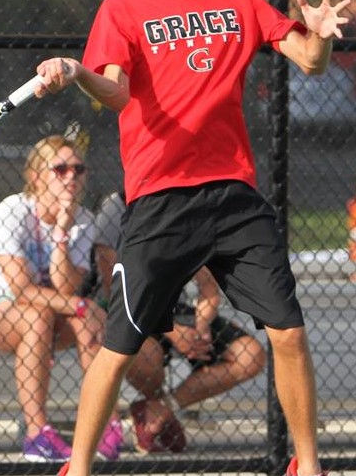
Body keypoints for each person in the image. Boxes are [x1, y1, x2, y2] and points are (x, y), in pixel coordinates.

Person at [34, 0, 350, 476]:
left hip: (233, 195)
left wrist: (320, 36)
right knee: (119, 347)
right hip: (158, 202)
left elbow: (308, 62)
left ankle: (307, 471)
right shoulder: (121, 10)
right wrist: (78, 72)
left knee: (288, 330)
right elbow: (116, 91)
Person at [0, 135, 122, 463]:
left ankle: (107, 425)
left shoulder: (83, 220)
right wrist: (82, 305)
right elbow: (21, 290)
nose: (71, 177)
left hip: (51, 314)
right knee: (42, 315)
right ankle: (37, 435)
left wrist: (62, 233)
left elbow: (65, 290)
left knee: (82, 321)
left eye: (78, 169)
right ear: (36, 176)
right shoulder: (11, 212)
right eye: (60, 169)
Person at [92, 191, 265, 454]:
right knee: (144, 355)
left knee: (249, 355)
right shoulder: (116, 207)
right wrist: (173, 332)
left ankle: (159, 409)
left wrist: (201, 325)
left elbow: (208, 289)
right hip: (129, 305)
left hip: (175, 308)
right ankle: (154, 416)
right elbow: (112, 290)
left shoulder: (186, 205)